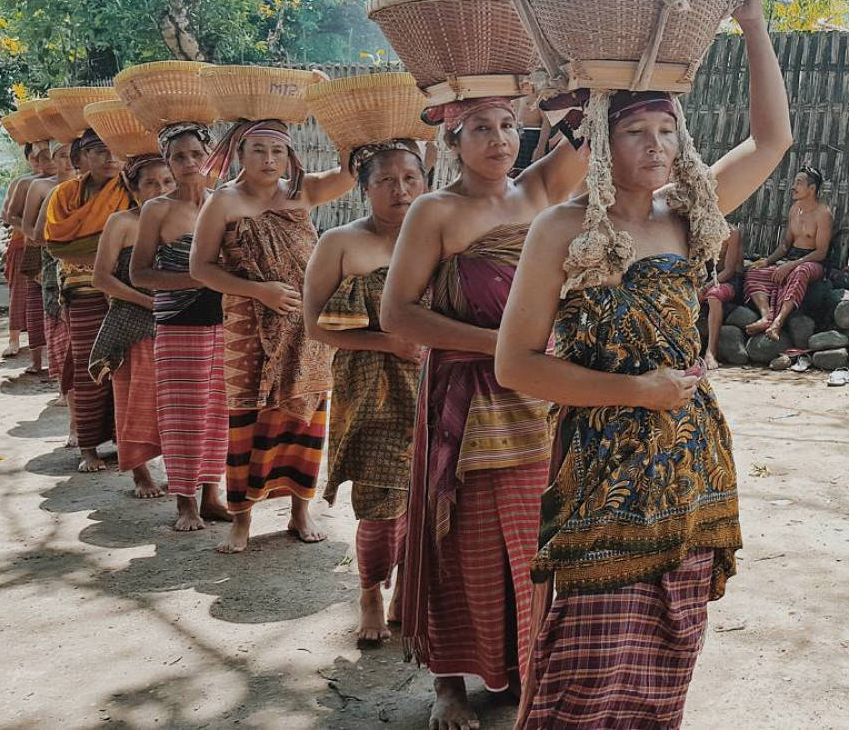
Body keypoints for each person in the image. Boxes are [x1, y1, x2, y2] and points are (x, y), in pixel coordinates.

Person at [495, 0, 792, 728]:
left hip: (689, 458)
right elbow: (516, 362)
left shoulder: (691, 214)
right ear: (603, 140)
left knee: (667, 651)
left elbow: (772, 138)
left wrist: (752, 26)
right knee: (589, 656)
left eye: (667, 131)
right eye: (637, 132)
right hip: (603, 460)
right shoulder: (563, 230)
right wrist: (638, 390)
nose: (657, 146)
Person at [380, 96, 586, 730]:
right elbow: (398, 315)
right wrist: (500, 345)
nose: (499, 141)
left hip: (540, 394)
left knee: (536, 537)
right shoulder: (435, 211)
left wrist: (562, 91)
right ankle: (449, 682)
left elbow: (595, 136)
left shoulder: (541, 187)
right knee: (460, 538)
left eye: (506, 126)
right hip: (469, 404)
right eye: (480, 129)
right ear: (452, 141)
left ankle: (525, 664)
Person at [190, 119, 356, 554]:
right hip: (247, 325)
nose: (268, 160)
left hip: (306, 324)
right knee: (248, 418)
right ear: (240, 154)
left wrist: (348, 128)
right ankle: (241, 519)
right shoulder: (223, 201)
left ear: (289, 155)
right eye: (258, 150)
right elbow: (201, 267)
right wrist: (257, 290)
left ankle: (300, 512)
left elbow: (351, 171)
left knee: (308, 417)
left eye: (277, 151)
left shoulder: (302, 191)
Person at [302, 141, 427, 647]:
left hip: (432, 382)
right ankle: (371, 589)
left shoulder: (441, 237)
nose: (400, 190)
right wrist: (386, 343)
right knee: (378, 499)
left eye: (410, 179)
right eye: (386, 181)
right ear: (365, 187)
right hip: (370, 389)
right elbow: (314, 326)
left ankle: (409, 588)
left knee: (424, 495)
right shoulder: (339, 242)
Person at [130, 123, 231, 531]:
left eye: (195, 154)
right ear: (168, 163)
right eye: (178, 157)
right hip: (177, 325)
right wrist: (199, 277)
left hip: (223, 322)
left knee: (219, 413)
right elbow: (139, 273)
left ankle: (211, 496)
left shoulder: (224, 203)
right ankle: (184, 503)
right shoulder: (158, 210)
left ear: (209, 155)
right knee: (181, 415)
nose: (189, 163)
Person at [91, 154, 176, 498]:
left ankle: (181, 468)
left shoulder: (186, 217)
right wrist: (147, 302)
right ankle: (140, 472)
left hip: (178, 320)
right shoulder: (122, 222)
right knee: (135, 397)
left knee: (176, 400)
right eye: (150, 183)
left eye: (167, 181)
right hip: (133, 321)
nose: (160, 189)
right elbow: (101, 278)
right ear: (133, 187)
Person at [45, 130, 130, 472]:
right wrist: (107, 247)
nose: (108, 157)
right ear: (79, 158)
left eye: (115, 150)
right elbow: (58, 243)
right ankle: (88, 447)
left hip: (126, 291)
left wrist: (100, 249)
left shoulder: (132, 189)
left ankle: (126, 441)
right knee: (88, 367)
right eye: (97, 150)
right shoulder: (65, 194)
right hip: (81, 292)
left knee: (126, 371)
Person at [742, 165, 832, 341]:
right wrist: (768, 261)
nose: (793, 186)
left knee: (800, 271)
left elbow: (821, 252)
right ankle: (766, 316)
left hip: (813, 262)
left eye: (799, 183)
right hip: (791, 258)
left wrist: (791, 265)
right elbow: (785, 244)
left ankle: (777, 323)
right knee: (754, 271)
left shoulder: (823, 214)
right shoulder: (794, 210)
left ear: (812, 188)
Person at [23, 142, 78, 408]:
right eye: (62, 157)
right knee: (59, 328)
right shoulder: (51, 190)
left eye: (72, 156)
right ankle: (63, 389)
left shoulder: (101, 191)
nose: (68, 162)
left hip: (95, 274)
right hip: (58, 266)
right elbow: (34, 233)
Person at [5, 142, 58, 377]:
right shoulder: (29, 184)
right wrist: (35, 234)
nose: (50, 163)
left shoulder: (77, 182)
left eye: (53, 157)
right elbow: (11, 215)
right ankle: (35, 359)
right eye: (43, 158)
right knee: (34, 303)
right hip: (35, 248)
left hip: (67, 252)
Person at [2, 143, 46, 358]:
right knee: (20, 293)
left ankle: (42, 342)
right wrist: (33, 232)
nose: (42, 162)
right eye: (36, 158)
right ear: (29, 160)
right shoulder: (22, 183)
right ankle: (14, 339)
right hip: (24, 243)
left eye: (46, 157)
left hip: (54, 245)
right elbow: (8, 215)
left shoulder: (68, 181)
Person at [701, 223, 742, 370]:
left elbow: (729, 271)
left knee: (713, 296)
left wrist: (705, 288)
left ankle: (711, 352)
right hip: (706, 278)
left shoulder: (732, 232)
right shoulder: (698, 227)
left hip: (728, 280)